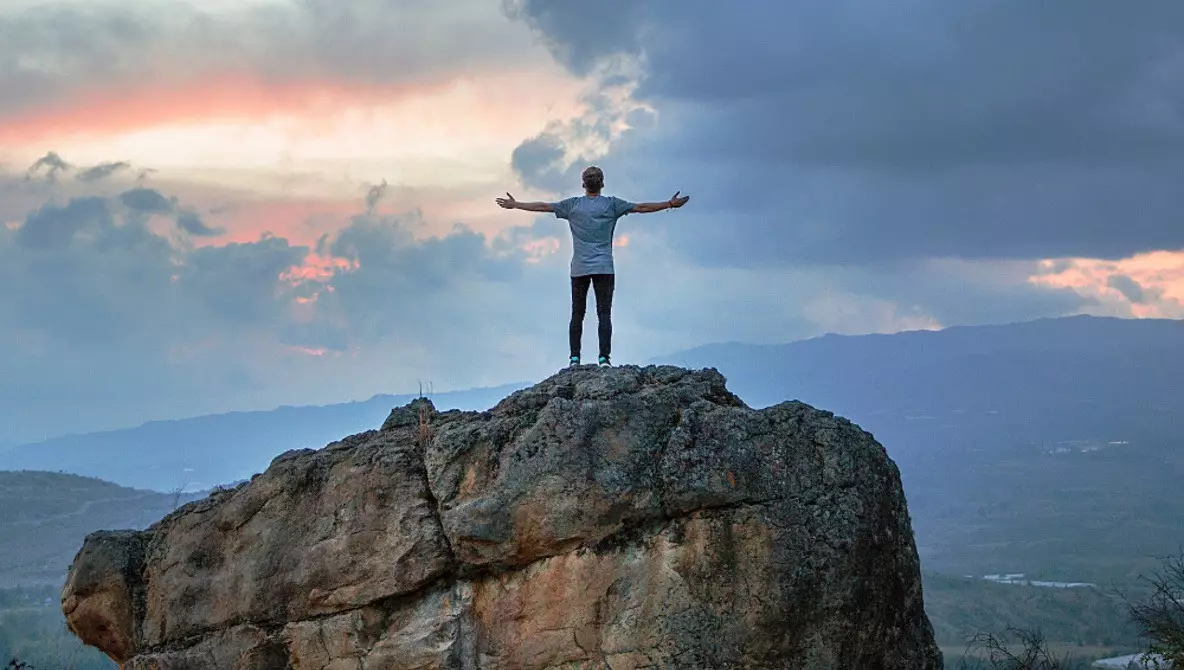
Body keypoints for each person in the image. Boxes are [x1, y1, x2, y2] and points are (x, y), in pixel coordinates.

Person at [496, 165, 690, 368]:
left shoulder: (572, 206)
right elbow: (642, 207)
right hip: (604, 267)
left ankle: (574, 359)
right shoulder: (612, 205)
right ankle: (604, 358)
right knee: (604, 313)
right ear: (602, 184)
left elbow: (543, 206)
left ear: (583, 184)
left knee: (577, 314)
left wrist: (516, 204)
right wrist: (669, 203)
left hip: (579, 268)